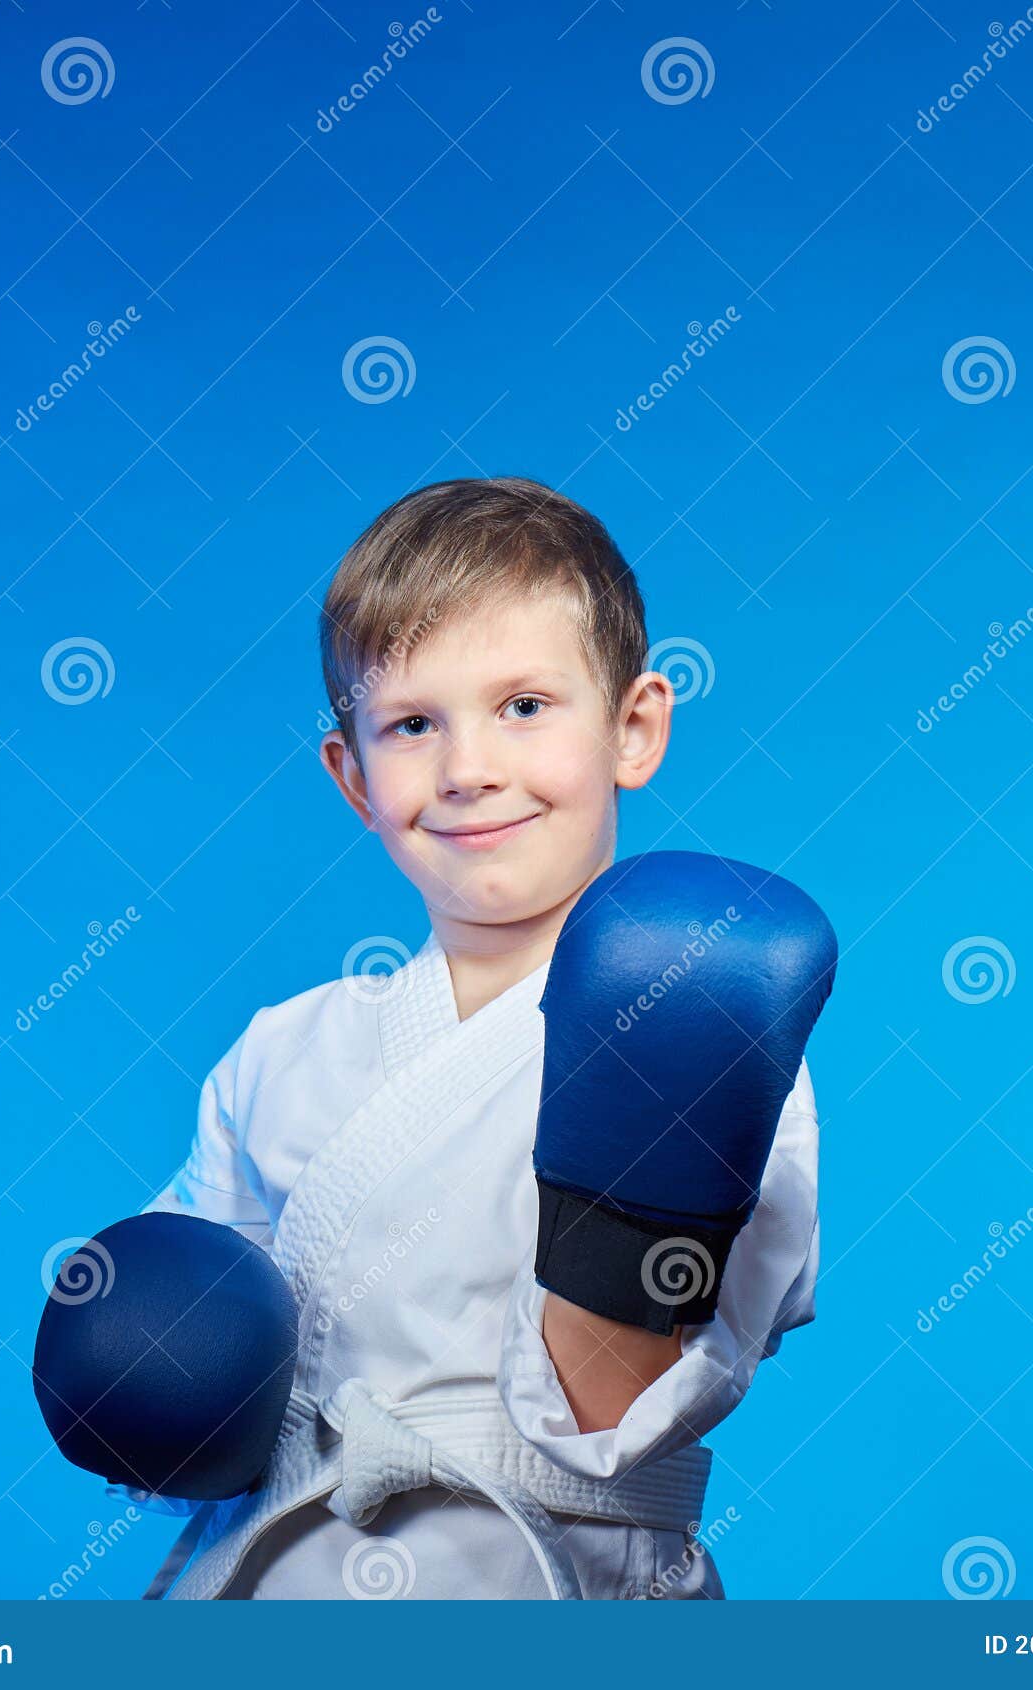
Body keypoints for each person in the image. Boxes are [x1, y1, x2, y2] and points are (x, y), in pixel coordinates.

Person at [128, 476, 826, 1599]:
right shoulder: (281, 1051)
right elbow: (189, 1396)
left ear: (634, 726)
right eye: (412, 724)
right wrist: (133, 1362)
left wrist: (634, 1201)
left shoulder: (714, 1019)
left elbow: (610, 1411)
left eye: (524, 706)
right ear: (352, 775)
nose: (468, 770)